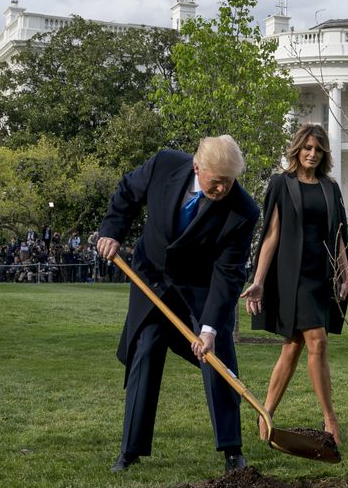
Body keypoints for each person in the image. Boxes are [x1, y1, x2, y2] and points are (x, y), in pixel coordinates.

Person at [97, 136, 259, 474]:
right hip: (151, 276)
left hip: (201, 287)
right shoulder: (165, 164)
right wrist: (112, 231)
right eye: (217, 181)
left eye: (229, 182)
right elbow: (127, 192)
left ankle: (232, 450)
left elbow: (229, 273)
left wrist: (209, 328)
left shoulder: (243, 211)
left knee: (216, 359)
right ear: (197, 167)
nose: (223, 189)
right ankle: (130, 450)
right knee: (146, 348)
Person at [240, 124, 348, 446]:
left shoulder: (330, 187)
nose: (312, 154)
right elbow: (271, 234)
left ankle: (265, 412)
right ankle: (329, 418)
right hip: (295, 275)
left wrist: (344, 271)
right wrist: (259, 280)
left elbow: (339, 234)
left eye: (318, 150)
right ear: (298, 148)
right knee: (317, 341)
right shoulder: (281, 183)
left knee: (293, 346)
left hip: (322, 274)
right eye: (308, 148)